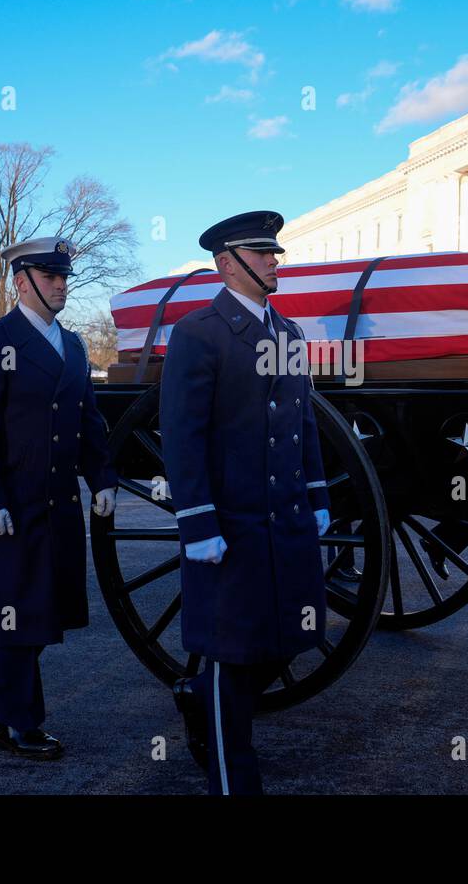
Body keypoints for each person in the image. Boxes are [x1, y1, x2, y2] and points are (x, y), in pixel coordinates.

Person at [161, 210, 332, 795]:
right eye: (262, 253)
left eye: (274, 252)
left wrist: (316, 494)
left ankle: (202, 699)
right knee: (232, 658)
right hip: (230, 528)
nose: (274, 261)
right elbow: (183, 436)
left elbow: (302, 420)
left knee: (287, 640)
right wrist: (198, 522)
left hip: (283, 521)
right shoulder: (198, 333)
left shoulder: (287, 334)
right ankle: (234, 783)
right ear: (228, 262)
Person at [0, 236, 119, 760]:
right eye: (50, 277)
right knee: (15, 612)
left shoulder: (73, 346)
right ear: (22, 282)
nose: (61, 286)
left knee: (48, 611)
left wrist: (103, 477)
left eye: (64, 277)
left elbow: (87, 419)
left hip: (58, 503)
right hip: (9, 505)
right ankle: (14, 723)